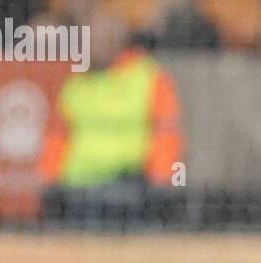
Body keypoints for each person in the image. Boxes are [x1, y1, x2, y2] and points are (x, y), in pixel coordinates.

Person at [38, 13, 185, 228]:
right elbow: (58, 136)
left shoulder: (149, 77)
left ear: (117, 42)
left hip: (127, 191)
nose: (90, 47)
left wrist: (163, 179)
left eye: (97, 40)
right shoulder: (77, 83)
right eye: (89, 41)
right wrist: (49, 178)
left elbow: (167, 132)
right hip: (76, 192)